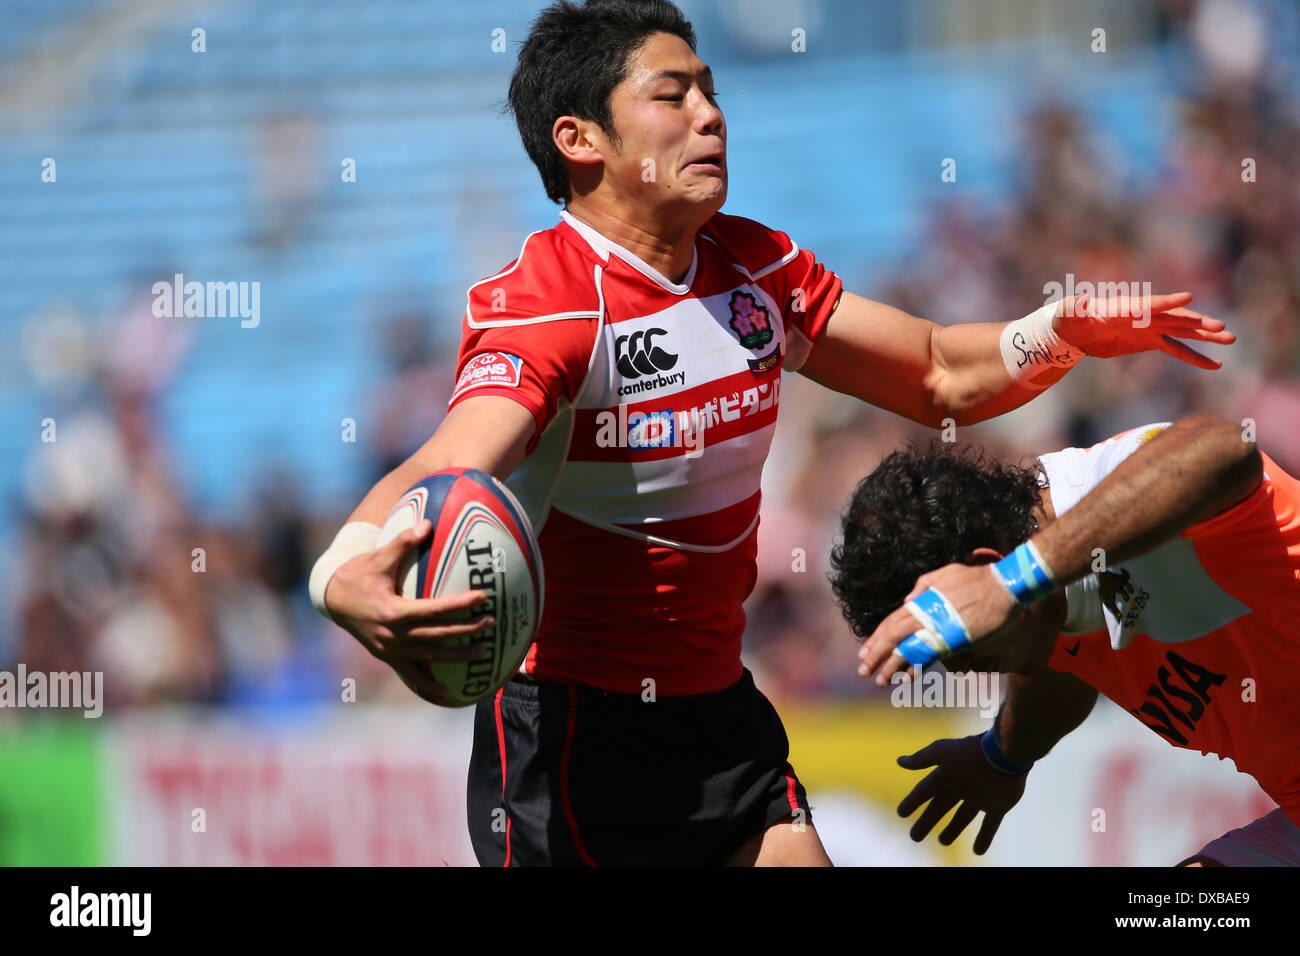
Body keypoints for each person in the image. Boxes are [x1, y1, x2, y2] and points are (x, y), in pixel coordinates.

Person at [309, 0, 1233, 866]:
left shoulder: (754, 266)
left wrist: (1059, 328)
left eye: (711, 89)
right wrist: (341, 567)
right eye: (671, 96)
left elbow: (939, 372)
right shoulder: (552, 305)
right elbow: (448, 462)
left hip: (719, 715)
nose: (709, 114)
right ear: (580, 140)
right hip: (571, 745)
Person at [842, 417, 1300, 865]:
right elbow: (1061, 671)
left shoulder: (1100, 492)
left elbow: (1225, 445)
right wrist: (1002, 755)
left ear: (989, 567)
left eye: (953, 647)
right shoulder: (1042, 600)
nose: (960, 671)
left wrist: (1014, 580)